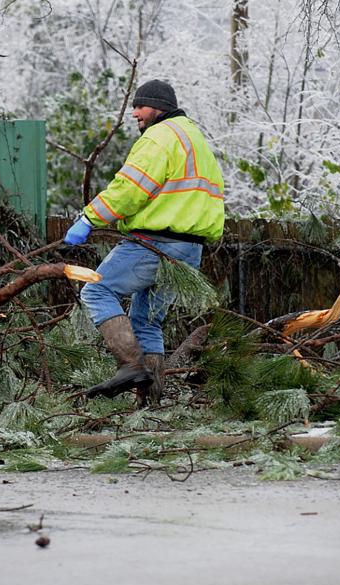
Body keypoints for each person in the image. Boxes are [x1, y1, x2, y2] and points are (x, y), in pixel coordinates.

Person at [64, 79, 225, 405]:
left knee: (96, 289)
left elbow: (130, 189)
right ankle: (150, 408)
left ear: (159, 107)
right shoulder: (194, 138)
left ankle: (130, 365)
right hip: (189, 249)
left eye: (141, 106)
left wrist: (88, 218)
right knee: (147, 322)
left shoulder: (159, 137)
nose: (134, 112)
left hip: (156, 243)